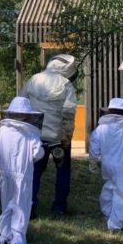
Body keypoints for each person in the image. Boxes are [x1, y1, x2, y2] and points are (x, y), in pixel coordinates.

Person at [20, 53, 78, 216]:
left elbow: (20, 103)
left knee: (34, 172)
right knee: (63, 172)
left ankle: (29, 205)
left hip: (35, 135)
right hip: (58, 138)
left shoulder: (34, 79)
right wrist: (67, 137)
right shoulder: (66, 84)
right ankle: (59, 208)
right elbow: (68, 113)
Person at [0, 97, 45, 244]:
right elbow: (38, 154)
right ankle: (18, 238)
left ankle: (5, 233)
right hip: (23, 176)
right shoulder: (31, 134)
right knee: (21, 206)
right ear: (28, 115)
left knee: (7, 202)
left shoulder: (2, 130)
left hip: (5, 174)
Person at [87, 97, 123, 231]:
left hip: (106, 164)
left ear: (110, 111)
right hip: (122, 166)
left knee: (109, 187)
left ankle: (108, 214)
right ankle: (116, 224)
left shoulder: (101, 128)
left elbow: (94, 147)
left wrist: (93, 162)